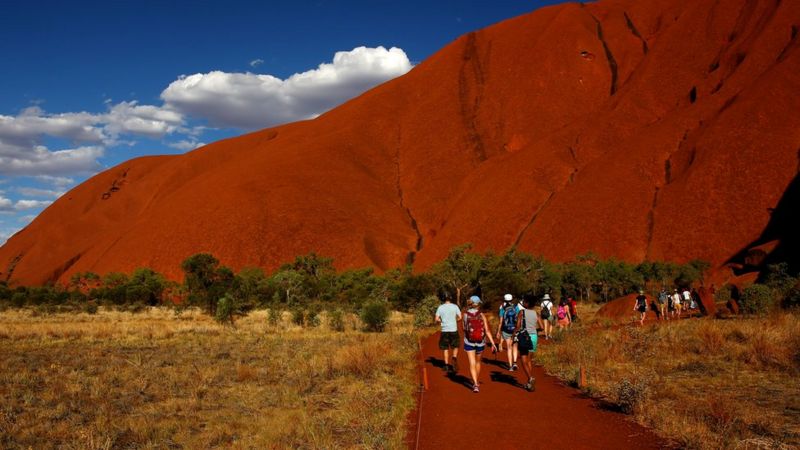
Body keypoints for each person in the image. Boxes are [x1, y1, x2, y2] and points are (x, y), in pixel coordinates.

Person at [462, 295, 498, 393]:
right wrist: (493, 343)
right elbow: (487, 330)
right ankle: (476, 382)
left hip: (469, 341)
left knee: (472, 363)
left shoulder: (465, 315)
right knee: (478, 362)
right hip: (480, 342)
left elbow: (464, 329)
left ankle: (475, 384)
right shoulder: (482, 315)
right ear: (478, 304)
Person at [515, 293, 544, 391]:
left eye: (524, 301)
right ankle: (529, 383)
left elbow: (518, 326)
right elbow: (542, 327)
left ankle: (530, 378)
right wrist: (534, 330)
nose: (523, 302)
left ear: (527, 303)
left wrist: (514, 333)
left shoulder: (521, 312)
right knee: (529, 360)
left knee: (523, 360)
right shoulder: (536, 313)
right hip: (534, 337)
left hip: (524, 337)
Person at [435, 291, 462, 374]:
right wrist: (454, 320)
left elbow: (436, 319)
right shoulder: (455, 306)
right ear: (450, 298)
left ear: (443, 298)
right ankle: (454, 358)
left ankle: (446, 365)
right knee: (456, 345)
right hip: (453, 329)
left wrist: (442, 321)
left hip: (444, 330)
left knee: (445, 348)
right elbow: (460, 317)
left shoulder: (440, 307)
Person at [496, 293, 520, 371]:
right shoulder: (516, 307)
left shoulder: (502, 307)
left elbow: (500, 321)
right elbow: (519, 318)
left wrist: (498, 331)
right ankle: (515, 362)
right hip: (515, 329)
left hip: (506, 329)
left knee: (509, 347)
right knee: (515, 346)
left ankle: (510, 366)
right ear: (512, 299)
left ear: (504, 299)